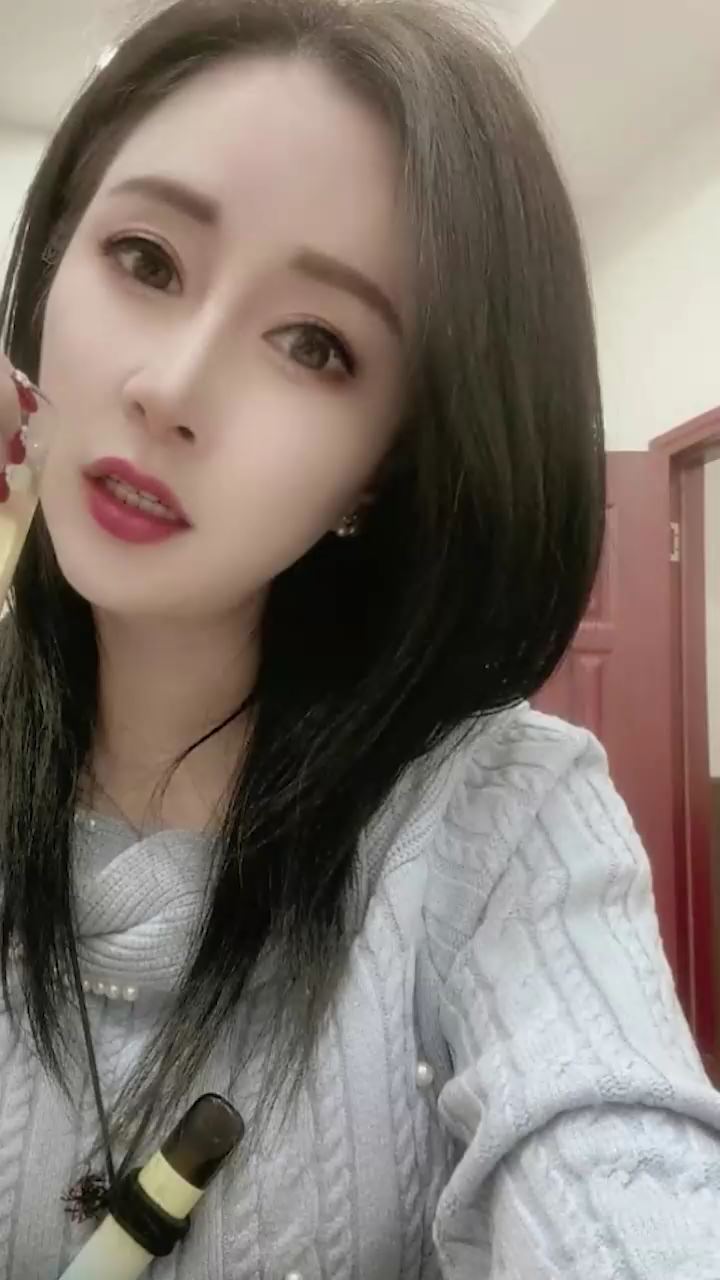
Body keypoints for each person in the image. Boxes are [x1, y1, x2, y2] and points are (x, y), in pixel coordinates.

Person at [0, 0, 718, 1275]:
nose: (171, 387)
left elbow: (625, 1182)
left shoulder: (503, 817)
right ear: (54, 261)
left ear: (382, 469)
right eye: (147, 259)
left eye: (313, 344)